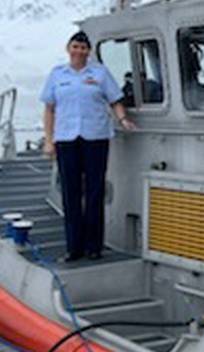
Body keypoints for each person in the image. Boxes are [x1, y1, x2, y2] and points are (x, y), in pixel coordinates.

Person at [40, 30, 134, 262]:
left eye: (83, 48)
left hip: (95, 138)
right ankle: (74, 247)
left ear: (88, 51)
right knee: (70, 194)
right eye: (75, 47)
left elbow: (114, 100)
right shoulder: (57, 75)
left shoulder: (100, 74)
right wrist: (49, 140)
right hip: (67, 139)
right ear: (68, 48)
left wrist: (123, 119)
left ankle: (94, 247)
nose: (79, 51)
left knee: (94, 192)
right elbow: (49, 109)